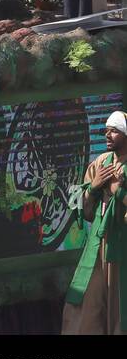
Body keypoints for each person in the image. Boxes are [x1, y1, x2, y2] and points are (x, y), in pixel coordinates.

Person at [63, 110, 127, 334]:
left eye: (115, 131)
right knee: (86, 301)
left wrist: (117, 191)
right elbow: (82, 208)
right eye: (106, 131)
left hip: (122, 247)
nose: (108, 135)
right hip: (98, 244)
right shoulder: (101, 162)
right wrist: (93, 186)